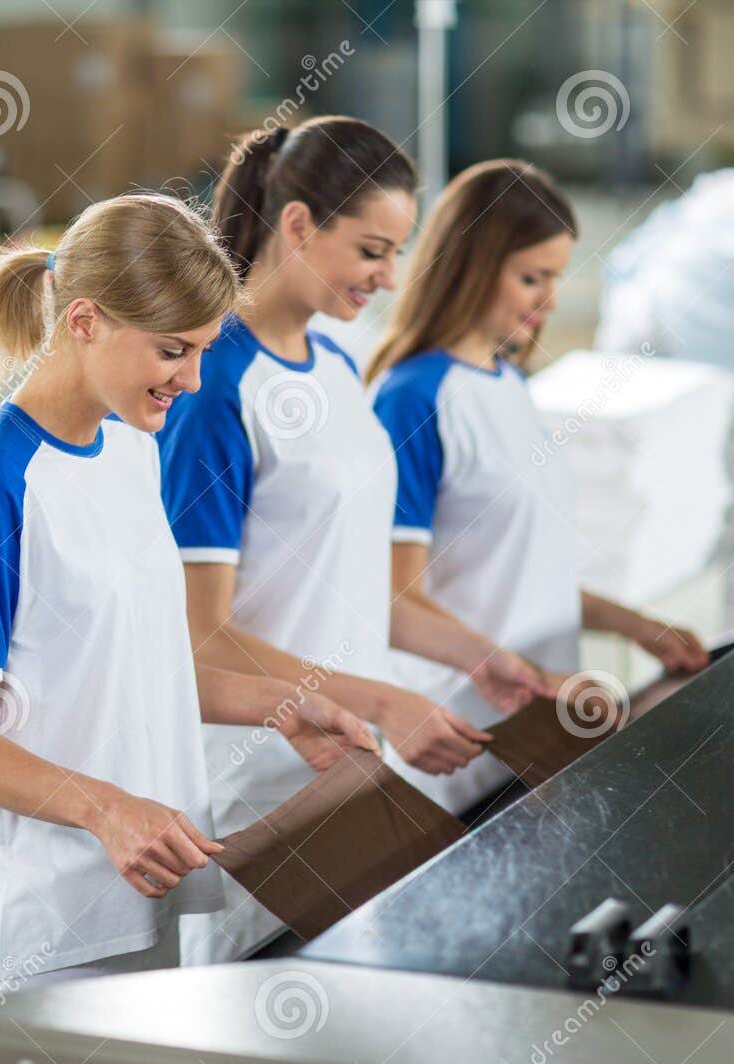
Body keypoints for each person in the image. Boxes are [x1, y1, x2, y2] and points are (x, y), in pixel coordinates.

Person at [0, 193, 378, 997]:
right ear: (86, 321)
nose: (193, 379)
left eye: (202, 350)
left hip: (141, 895)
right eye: (173, 350)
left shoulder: (131, 448)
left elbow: (141, 669)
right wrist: (105, 809)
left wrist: (284, 702)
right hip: (35, 927)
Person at [156, 118, 544, 965]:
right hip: (254, 788)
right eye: (372, 250)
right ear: (297, 225)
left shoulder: (332, 366)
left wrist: (480, 657)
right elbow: (201, 636)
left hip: (344, 772)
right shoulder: (214, 385)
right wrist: (383, 702)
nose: (390, 277)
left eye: (397, 253)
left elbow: (362, 583)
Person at [367, 159, 709, 818]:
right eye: (532, 277)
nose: (550, 300)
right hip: (463, 748)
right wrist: (509, 668)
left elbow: (523, 574)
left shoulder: (507, 385)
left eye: (556, 277)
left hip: (542, 732)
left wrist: (636, 624)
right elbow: (393, 597)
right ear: (472, 267)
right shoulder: (412, 399)